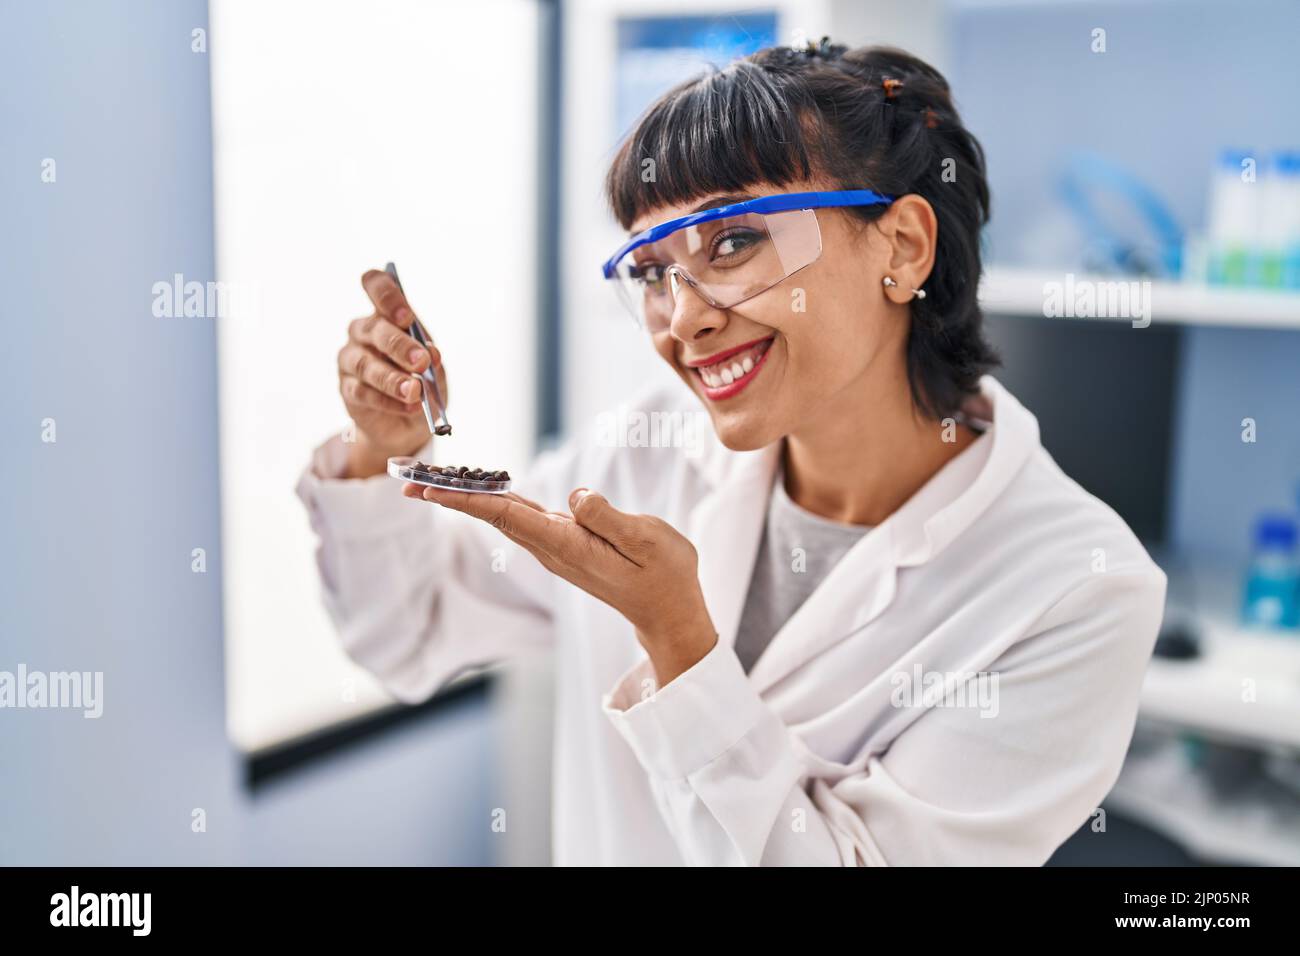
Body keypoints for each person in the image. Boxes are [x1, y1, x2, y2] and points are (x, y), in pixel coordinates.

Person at [296, 41, 1166, 865]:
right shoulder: (644, 454)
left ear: (901, 246)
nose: (683, 320)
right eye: (650, 269)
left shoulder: (1076, 587)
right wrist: (380, 449)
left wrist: (680, 644)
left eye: (736, 242)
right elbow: (404, 635)